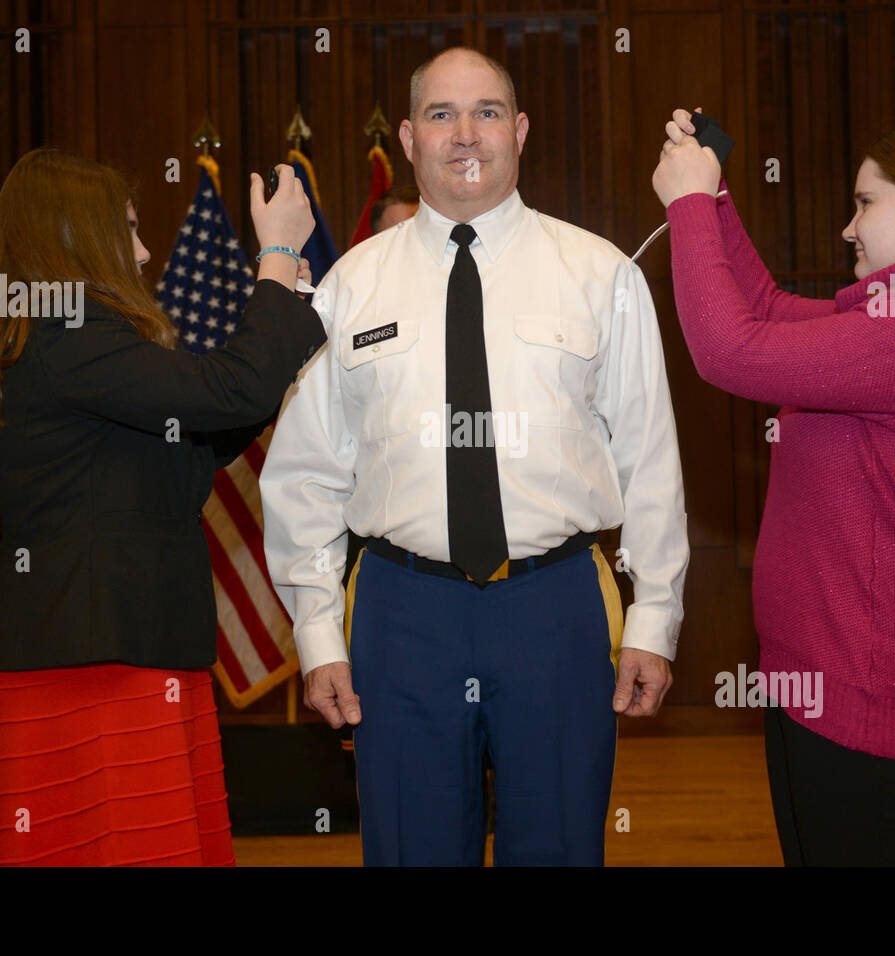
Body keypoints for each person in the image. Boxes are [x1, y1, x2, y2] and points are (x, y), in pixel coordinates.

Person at [260, 47, 689, 866]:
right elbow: (306, 475)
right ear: (411, 137)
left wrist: (656, 615)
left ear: (520, 131)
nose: (466, 134)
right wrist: (319, 635)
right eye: (441, 115)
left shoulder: (601, 275)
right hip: (401, 614)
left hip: (555, 611)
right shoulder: (349, 286)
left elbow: (650, 460)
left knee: (560, 849)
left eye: (487, 112)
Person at [652, 107, 895, 865]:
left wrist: (688, 205)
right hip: (815, 671)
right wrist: (717, 193)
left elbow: (729, 350)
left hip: (861, 682)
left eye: (865, 203)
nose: (848, 229)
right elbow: (759, 312)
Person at [0, 148, 325, 866]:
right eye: (126, 227)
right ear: (74, 238)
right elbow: (225, 393)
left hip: (128, 639)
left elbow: (200, 433)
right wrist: (276, 255)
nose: (145, 248)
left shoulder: (57, 337)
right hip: (92, 649)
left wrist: (287, 309)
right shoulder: (67, 332)